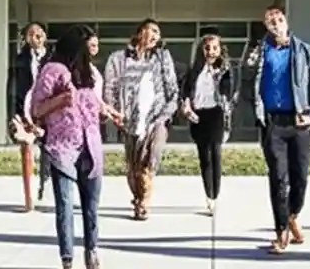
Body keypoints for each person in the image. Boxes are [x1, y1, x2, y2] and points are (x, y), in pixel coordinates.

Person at [243, 4, 310, 255]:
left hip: (299, 122)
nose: (276, 23)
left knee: (300, 177)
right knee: (279, 179)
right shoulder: (260, 51)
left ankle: (292, 214)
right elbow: (246, 78)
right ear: (266, 26)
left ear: (287, 22)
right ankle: (281, 231)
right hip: (273, 123)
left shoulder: (304, 51)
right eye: (270, 21)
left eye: (279, 19)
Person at [31, 24, 106, 269]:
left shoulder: (89, 73)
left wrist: (109, 112)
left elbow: (94, 103)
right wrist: (60, 99)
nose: (92, 51)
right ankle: (67, 258)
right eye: (88, 47)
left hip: (90, 145)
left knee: (91, 207)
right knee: (65, 205)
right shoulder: (52, 70)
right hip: (62, 147)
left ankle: (92, 251)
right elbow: (36, 109)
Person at [102, 19, 178, 221]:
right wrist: (114, 113)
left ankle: (144, 203)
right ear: (139, 32)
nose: (155, 36)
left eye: (158, 33)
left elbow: (172, 90)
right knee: (133, 166)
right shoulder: (119, 59)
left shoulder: (163, 58)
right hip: (130, 120)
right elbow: (110, 88)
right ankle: (138, 199)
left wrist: (165, 115)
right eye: (151, 30)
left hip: (156, 118)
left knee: (150, 159)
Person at [180, 31, 236, 216]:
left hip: (216, 114)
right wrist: (187, 106)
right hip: (199, 115)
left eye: (215, 48)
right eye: (207, 48)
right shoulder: (195, 70)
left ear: (220, 50)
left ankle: (216, 197)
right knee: (204, 156)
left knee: (216, 154)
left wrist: (217, 75)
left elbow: (229, 92)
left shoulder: (224, 70)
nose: (211, 52)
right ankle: (209, 195)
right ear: (201, 50)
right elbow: (186, 92)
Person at [8, 22, 49, 209]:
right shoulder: (19, 60)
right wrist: (15, 114)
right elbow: (13, 88)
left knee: (51, 153)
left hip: (49, 110)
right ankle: (29, 199)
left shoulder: (53, 59)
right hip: (26, 111)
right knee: (26, 149)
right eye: (32, 33)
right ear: (26, 38)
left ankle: (46, 186)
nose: (36, 36)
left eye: (40, 32)